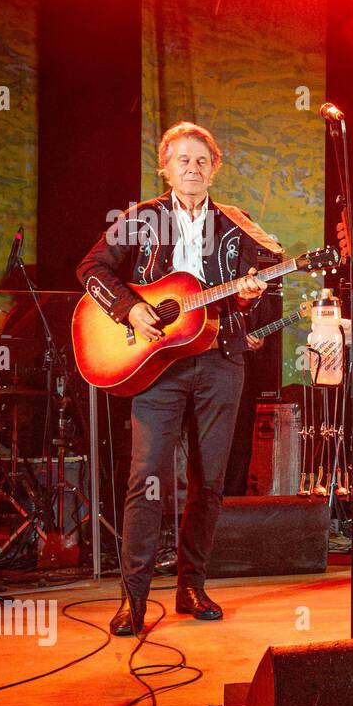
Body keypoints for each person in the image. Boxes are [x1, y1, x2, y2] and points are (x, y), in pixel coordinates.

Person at [77, 122, 281, 635]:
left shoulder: (237, 226)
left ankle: (192, 586)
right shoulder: (140, 219)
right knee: (145, 479)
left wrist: (247, 298)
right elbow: (92, 269)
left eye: (201, 161)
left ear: (214, 168)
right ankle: (135, 598)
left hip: (219, 361)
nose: (192, 169)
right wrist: (130, 311)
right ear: (165, 168)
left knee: (209, 482)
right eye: (182, 161)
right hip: (157, 364)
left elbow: (250, 298)